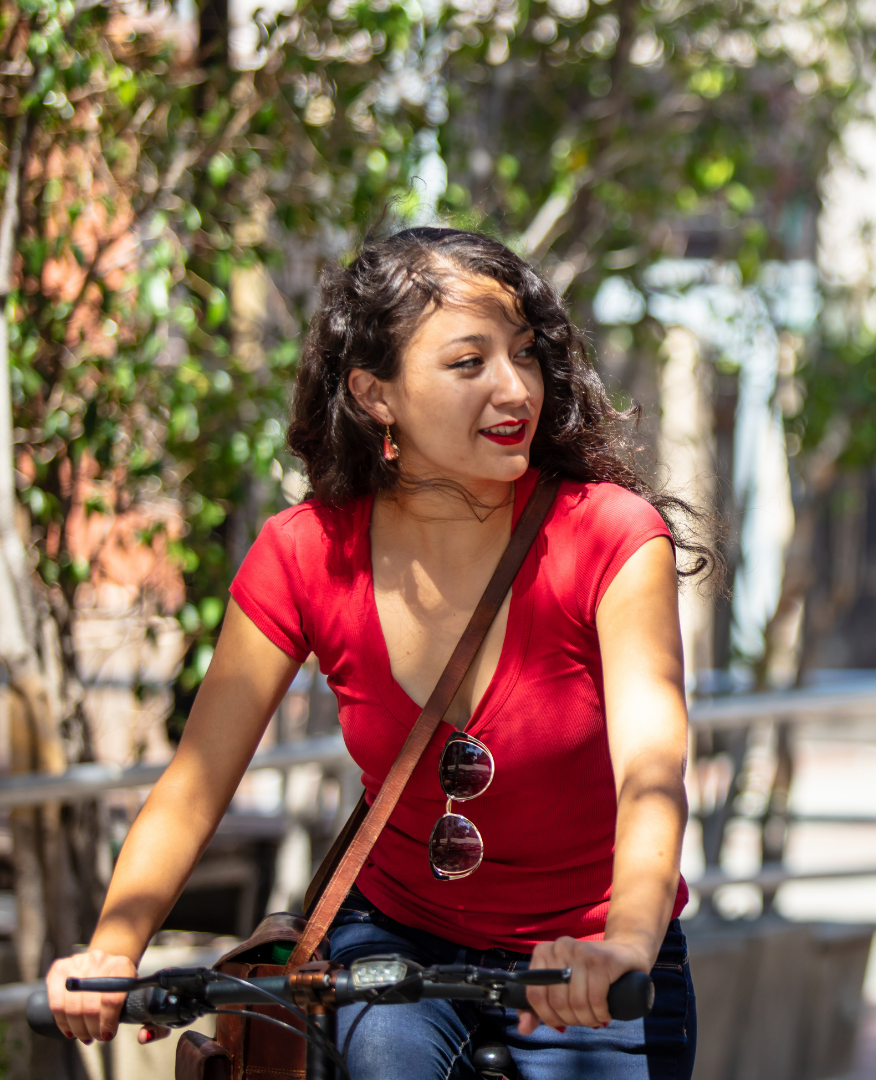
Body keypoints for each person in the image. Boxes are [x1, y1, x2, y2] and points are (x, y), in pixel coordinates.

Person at [43, 227, 715, 1080]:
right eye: (468, 363)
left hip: (590, 963)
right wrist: (111, 951)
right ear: (376, 394)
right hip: (399, 943)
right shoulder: (304, 552)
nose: (515, 388)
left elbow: (653, 774)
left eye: (524, 354)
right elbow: (195, 782)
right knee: (386, 1057)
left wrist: (623, 944)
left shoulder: (613, 537)